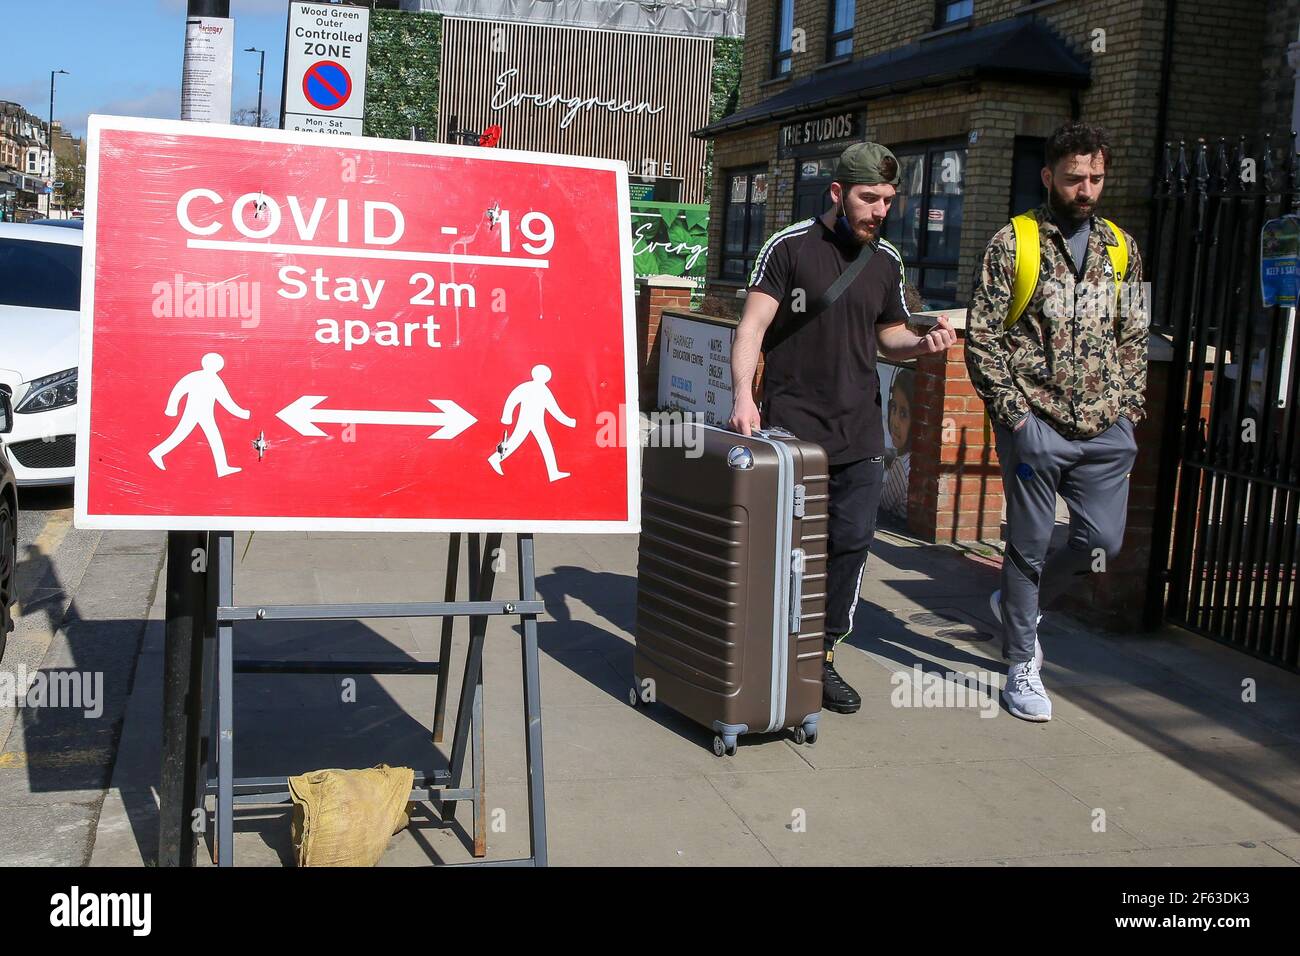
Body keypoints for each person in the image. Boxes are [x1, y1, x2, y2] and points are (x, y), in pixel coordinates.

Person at [728, 142, 957, 714]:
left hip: (859, 432)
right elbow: (752, 327)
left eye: (888, 200)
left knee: (851, 543)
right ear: (837, 193)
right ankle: (767, 650)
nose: (880, 211)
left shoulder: (886, 262)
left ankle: (821, 655)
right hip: (792, 429)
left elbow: (889, 336)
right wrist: (741, 398)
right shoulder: (790, 248)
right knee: (785, 548)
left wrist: (923, 345)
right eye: (868, 198)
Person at [966, 121, 1147, 722]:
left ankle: (1020, 603)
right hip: (1035, 423)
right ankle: (1021, 661)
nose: (1087, 189)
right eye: (1074, 178)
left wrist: (1129, 412)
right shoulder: (1013, 243)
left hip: (1104, 429)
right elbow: (983, 337)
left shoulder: (1122, 248)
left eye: (1096, 177)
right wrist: (1017, 419)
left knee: (1102, 541)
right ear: (1049, 176)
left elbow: (1134, 334)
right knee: (1030, 545)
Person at [880, 368, 914, 520]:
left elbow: (883, 503)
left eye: (903, 414)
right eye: (893, 408)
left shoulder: (901, 464)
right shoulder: (911, 459)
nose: (895, 422)